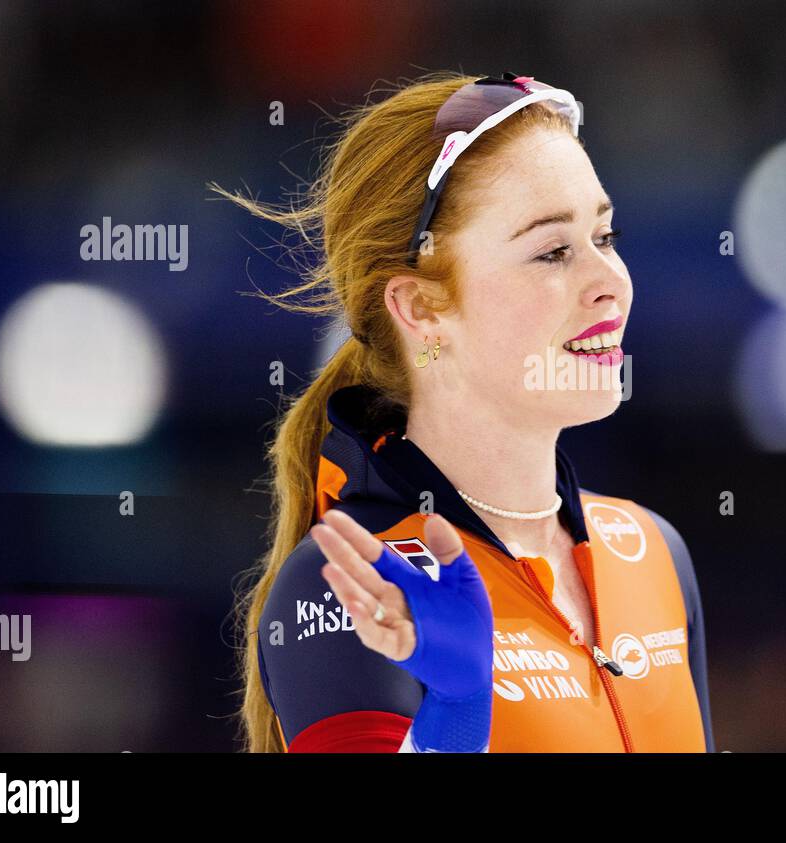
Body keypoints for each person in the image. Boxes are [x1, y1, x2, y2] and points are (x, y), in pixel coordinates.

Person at [227, 71, 713, 752]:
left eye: (605, 236)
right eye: (552, 251)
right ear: (422, 307)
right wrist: (454, 719)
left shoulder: (654, 550)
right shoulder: (357, 581)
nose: (612, 283)